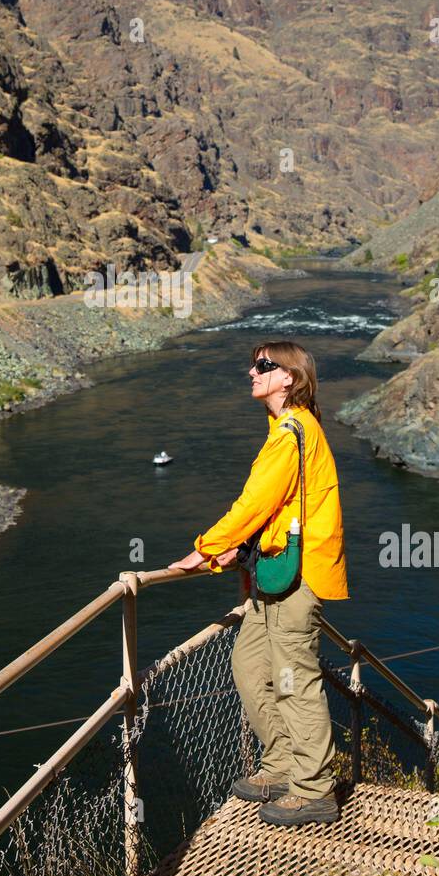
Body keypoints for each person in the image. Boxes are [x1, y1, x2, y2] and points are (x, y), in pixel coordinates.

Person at [168, 339, 348, 827]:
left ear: (288, 377)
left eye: (263, 366)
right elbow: (280, 511)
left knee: (294, 681)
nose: (252, 372)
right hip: (272, 572)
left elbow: (253, 504)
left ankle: (314, 790)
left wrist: (206, 547)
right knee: (250, 667)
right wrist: (242, 550)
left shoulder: (291, 432)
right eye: (253, 364)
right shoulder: (284, 430)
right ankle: (283, 762)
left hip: (297, 576)